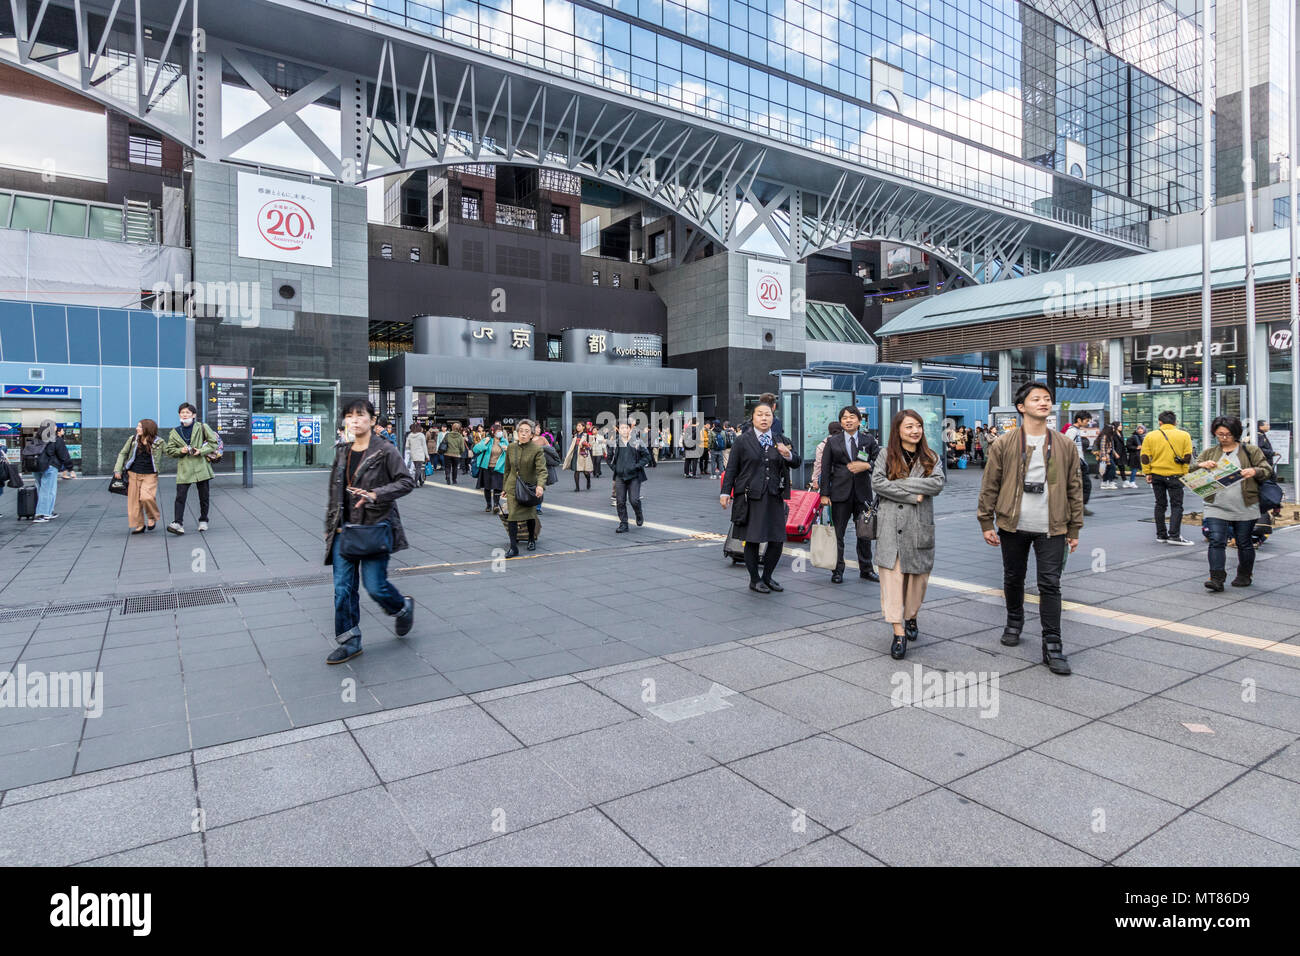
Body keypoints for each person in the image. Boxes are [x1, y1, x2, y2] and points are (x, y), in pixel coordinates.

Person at [977, 381, 1083, 676]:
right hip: (1013, 523)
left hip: (1053, 526)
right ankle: (1014, 620)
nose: (1043, 402)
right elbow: (990, 485)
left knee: (1050, 584)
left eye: (1047, 398)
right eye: (1036, 399)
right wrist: (986, 521)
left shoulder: (1064, 444)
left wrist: (1074, 528)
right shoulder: (1004, 443)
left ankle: (1053, 645)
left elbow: (1075, 487)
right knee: (1013, 577)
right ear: (1021, 407)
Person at [323, 398, 415, 664]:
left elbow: (406, 482)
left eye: (360, 415)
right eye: (349, 416)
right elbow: (334, 492)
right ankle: (349, 640)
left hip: (374, 527)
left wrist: (376, 494)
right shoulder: (342, 451)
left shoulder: (385, 450)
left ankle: (401, 607)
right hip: (344, 530)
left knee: (375, 587)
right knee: (343, 589)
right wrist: (329, 527)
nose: (354, 420)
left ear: (372, 420)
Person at [872, 409, 945, 659]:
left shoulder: (931, 456)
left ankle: (911, 616)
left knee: (917, 583)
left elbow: (937, 484)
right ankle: (898, 631)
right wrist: (912, 495)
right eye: (909, 427)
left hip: (918, 528)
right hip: (890, 527)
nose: (915, 431)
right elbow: (877, 483)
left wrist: (898, 484)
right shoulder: (886, 454)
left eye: (918, 426)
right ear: (898, 430)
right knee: (892, 582)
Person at [719, 401, 800, 593]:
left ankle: (768, 577)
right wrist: (725, 492)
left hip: (774, 494)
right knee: (753, 538)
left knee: (777, 539)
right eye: (759, 415)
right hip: (750, 496)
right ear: (753, 418)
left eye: (767, 415)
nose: (764, 418)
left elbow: (795, 461)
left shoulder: (781, 439)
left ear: (773, 417)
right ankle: (754, 579)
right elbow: (731, 469)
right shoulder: (742, 440)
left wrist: (787, 454)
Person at [1197, 416, 1271, 591]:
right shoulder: (1210, 452)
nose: (1223, 438)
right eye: (1219, 434)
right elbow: (1191, 469)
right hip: (1216, 504)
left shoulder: (1250, 450)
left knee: (1244, 542)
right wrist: (1201, 465)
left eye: (1228, 435)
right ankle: (1216, 578)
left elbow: (1266, 470)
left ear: (1236, 434)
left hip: (1245, 505)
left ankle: (1244, 574)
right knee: (1216, 540)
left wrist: (1254, 470)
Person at [819, 406, 880, 584]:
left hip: (862, 493)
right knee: (838, 534)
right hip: (839, 493)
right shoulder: (833, 441)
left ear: (859, 421)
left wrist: (867, 465)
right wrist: (824, 494)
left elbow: (881, 462)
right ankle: (837, 570)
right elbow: (825, 467)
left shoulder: (868, 440)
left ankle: (866, 569)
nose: (848, 420)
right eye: (844, 417)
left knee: (865, 532)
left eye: (852, 417)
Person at [1140, 410, 1195, 545]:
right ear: (1175, 422)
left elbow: (1145, 456)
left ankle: (1161, 534)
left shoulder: (1150, 436)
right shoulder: (1184, 435)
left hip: (1157, 475)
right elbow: (1187, 457)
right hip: (1175, 475)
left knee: (1160, 504)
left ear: (1160, 422)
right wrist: (1185, 473)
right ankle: (1174, 535)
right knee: (1177, 505)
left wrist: (1147, 473)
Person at [164, 403, 217, 535]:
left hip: (201, 466)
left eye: (188, 412)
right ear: (179, 415)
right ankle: (178, 523)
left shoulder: (202, 427)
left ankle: (203, 520)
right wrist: (180, 450)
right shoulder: (175, 432)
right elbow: (169, 450)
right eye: (182, 412)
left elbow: (213, 443)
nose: (185, 415)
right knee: (180, 497)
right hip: (184, 468)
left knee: (203, 496)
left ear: (193, 415)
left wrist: (201, 450)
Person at [503, 420, 547, 556]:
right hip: (512, 486)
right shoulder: (511, 447)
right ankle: (513, 547)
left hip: (529, 488)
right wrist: (504, 487)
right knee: (512, 515)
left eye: (526, 431)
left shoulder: (537, 450)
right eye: (521, 431)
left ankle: (531, 539)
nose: (523, 434)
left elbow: (542, 470)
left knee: (530, 515)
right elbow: (507, 469)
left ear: (532, 434)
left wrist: (540, 486)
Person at [113, 419, 162, 533]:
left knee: (146, 497)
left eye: (140, 426)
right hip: (133, 473)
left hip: (150, 474)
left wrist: (182, 451)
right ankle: (139, 525)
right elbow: (123, 453)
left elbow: (170, 451)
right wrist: (118, 469)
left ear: (147, 428)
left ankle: (152, 516)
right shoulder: (133, 439)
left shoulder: (159, 442)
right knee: (134, 502)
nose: (137, 428)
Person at [611, 419, 652, 532]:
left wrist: (637, 466)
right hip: (620, 476)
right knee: (620, 501)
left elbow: (647, 457)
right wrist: (616, 469)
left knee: (634, 500)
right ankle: (623, 524)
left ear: (630, 429)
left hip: (634, 476)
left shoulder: (637, 442)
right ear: (619, 430)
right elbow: (609, 457)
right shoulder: (615, 443)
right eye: (622, 428)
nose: (624, 430)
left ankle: (639, 514)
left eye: (626, 428)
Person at [30, 419, 74, 523]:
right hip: (49, 467)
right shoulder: (56, 439)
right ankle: (42, 514)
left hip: (36, 467)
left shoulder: (35, 439)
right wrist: (70, 468)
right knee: (48, 490)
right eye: (54, 426)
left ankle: (49, 511)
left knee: (41, 489)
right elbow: (64, 455)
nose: (56, 428)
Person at [1064, 412, 1094, 516]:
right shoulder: (1072, 431)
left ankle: (1080, 506)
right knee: (1085, 485)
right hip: (1077, 462)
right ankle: (1080, 507)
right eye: (1086, 420)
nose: (1087, 423)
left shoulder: (1076, 431)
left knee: (1082, 485)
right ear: (1079, 420)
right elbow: (1065, 446)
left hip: (1080, 461)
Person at [474, 423, 509, 512]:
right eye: (498, 431)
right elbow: (475, 449)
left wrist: (508, 449)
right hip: (487, 467)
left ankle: (496, 505)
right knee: (487, 487)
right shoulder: (488, 440)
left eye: (501, 431)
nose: (500, 433)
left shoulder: (504, 441)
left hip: (499, 467)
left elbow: (511, 453)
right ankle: (489, 505)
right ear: (493, 432)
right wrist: (484, 443)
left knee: (498, 487)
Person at [533, 429, 561, 516]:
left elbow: (550, 450)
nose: (538, 429)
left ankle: (538, 508)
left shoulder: (543, 439)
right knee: (531, 487)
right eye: (536, 427)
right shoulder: (527, 439)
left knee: (540, 486)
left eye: (539, 428)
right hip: (530, 467)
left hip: (541, 466)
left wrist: (542, 449)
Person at [809, 421, 843, 493]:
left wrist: (814, 479)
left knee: (827, 496)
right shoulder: (846, 441)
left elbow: (818, 463)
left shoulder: (822, 445)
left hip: (827, 476)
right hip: (843, 476)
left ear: (829, 430)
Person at [562, 424, 594, 491]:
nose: (577, 427)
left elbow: (591, 445)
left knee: (586, 472)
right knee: (576, 471)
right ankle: (577, 487)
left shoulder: (587, 435)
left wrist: (586, 446)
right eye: (577, 426)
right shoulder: (575, 436)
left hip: (583, 455)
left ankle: (588, 481)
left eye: (579, 426)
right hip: (576, 455)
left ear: (583, 427)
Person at [405, 422, 429, 487]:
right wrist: (427, 455)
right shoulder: (421, 435)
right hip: (420, 454)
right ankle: (415, 483)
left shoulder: (410, 435)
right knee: (418, 468)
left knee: (416, 468)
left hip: (413, 454)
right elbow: (424, 446)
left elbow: (407, 445)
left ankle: (421, 481)